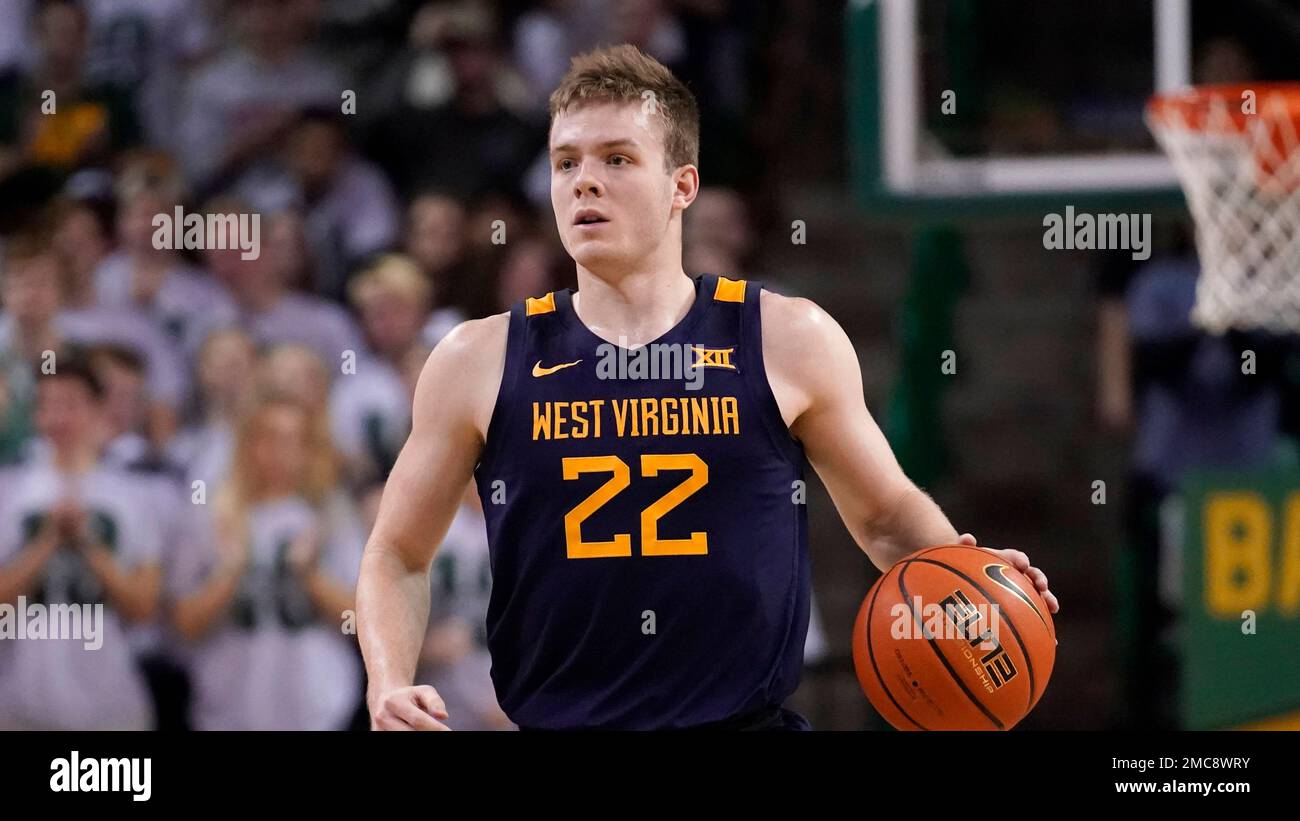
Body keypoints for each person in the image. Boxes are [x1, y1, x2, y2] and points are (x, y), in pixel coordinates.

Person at [358, 44, 1059, 731]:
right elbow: (397, 551)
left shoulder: (787, 338)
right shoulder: (477, 357)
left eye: (617, 158)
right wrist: (389, 681)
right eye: (566, 161)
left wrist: (967, 578)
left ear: (682, 185)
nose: (584, 181)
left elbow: (884, 517)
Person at [0, 351, 161, 730]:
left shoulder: (132, 497)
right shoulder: (9, 491)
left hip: (109, 699)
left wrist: (87, 543)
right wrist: (46, 542)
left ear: (99, 410)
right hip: (23, 699)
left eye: (70, 404)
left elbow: (142, 608)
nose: (57, 418)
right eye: (47, 405)